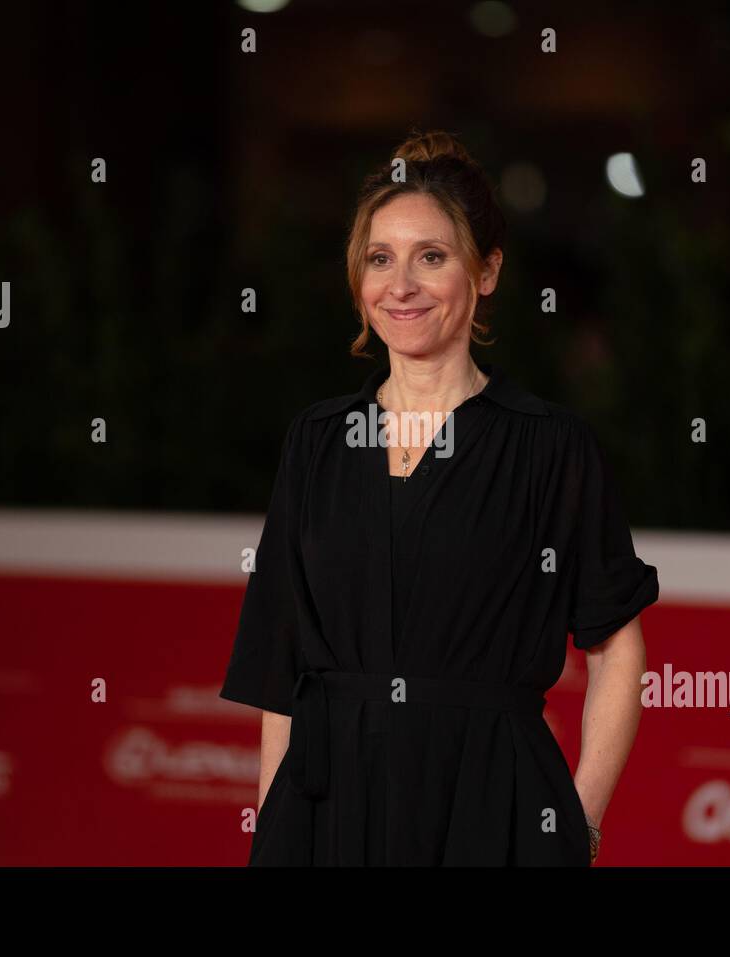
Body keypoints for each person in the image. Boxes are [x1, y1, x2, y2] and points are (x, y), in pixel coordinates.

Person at [218, 129, 658, 865]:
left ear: (486, 272)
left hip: (496, 808)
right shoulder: (317, 442)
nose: (402, 284)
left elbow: (618, 649)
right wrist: (275, 830)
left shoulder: (550, 447)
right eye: (380, 258)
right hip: (327, 814)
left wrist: (576, 825)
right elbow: (280, 666)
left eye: (432, 256)